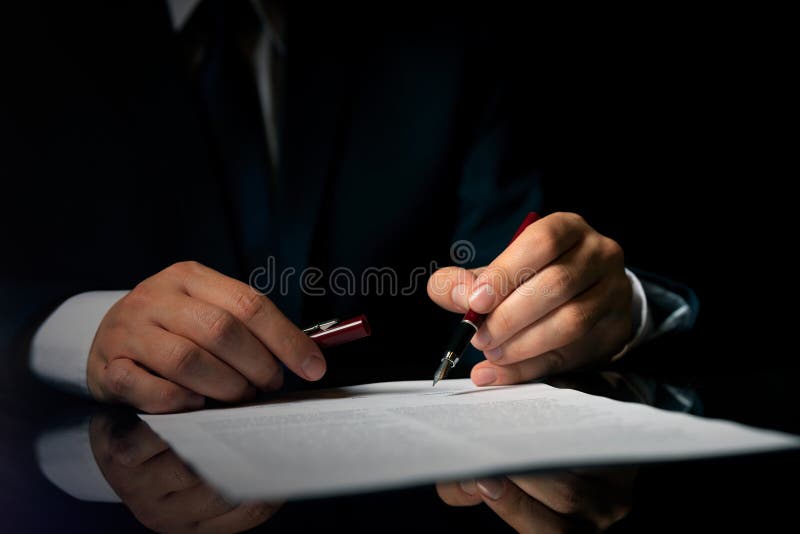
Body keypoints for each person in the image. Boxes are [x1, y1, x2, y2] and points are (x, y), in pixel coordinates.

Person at [1, 2, 695, 530]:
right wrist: (70, 332)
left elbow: (517, 257)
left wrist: (609, 306)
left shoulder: (444, 32)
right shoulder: (30, 35)